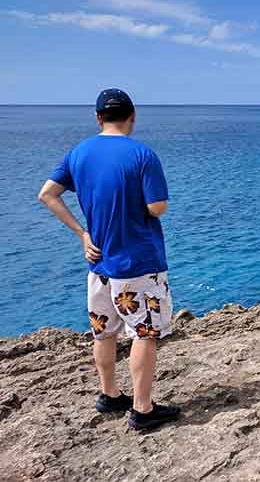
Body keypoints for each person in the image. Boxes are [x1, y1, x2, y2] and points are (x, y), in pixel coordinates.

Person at [38, 88, 180, 430]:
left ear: (98, 118)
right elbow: (156, 208)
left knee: (103, 332)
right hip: (137, 264)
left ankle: (109, 395)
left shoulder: (79, 153)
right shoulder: (143, 155)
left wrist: (82, 234)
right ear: (133, 116)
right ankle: (142, 410)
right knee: (144, 334)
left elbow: (47, 194)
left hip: (98, 263)